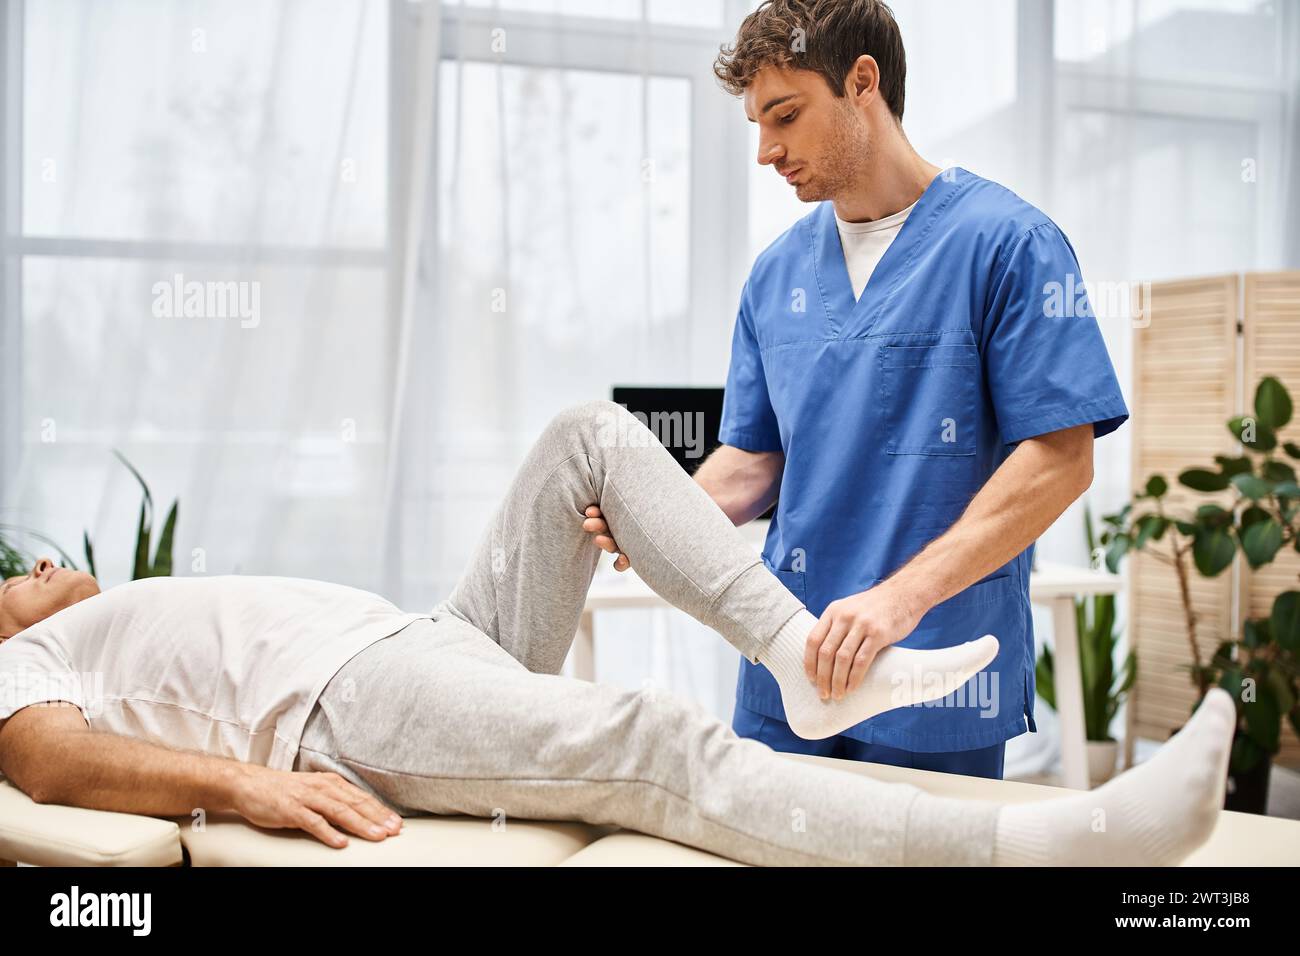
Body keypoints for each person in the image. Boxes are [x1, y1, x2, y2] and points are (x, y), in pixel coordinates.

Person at [0, 402, 1230, 866]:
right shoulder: (25, 658)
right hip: (352, 709)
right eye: (15, 576)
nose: (44, 564)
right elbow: (45, 760)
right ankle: (1038, 850)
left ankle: (800, 659)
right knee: (649, 733)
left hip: (431, 635)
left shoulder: (96, 602)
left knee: (586, 434)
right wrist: (246, 787)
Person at [586, 0, 1131, 780]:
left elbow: (1060, 459)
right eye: (757, 126)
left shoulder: (1009, 246)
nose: (767, 151)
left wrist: (900, 599)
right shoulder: (776, 276)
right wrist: (659, 518)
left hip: (936, 672)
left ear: (862, 82)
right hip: (790, 666)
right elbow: (751, 461)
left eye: (785, 115)